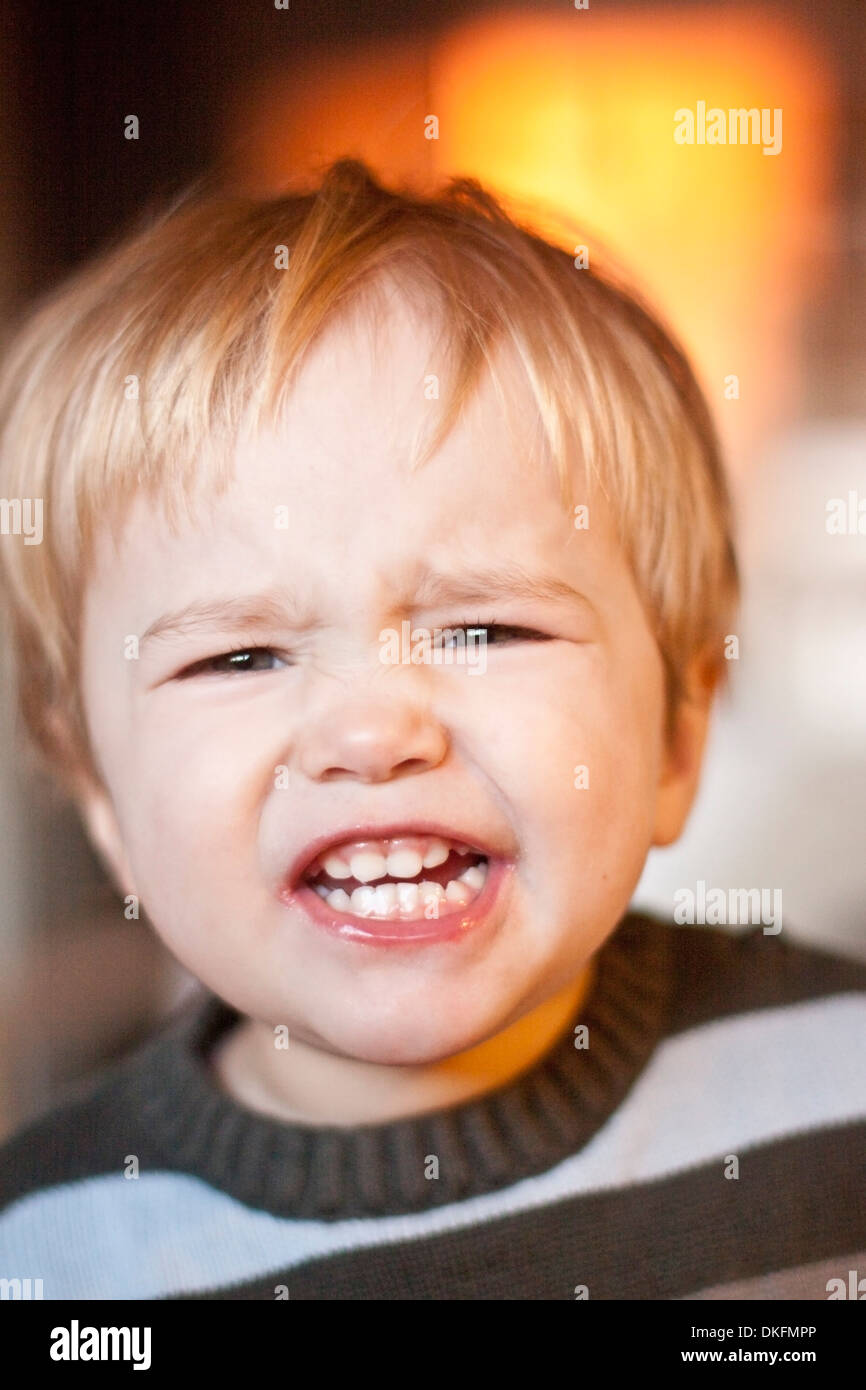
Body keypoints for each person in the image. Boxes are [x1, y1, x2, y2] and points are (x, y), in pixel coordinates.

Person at [0, 158, 863, 1300]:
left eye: (485, 630)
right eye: (238, 655)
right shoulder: (50, 1256)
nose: (368, 731)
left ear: (676, 730)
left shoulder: (837, 1084)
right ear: (102, 798)